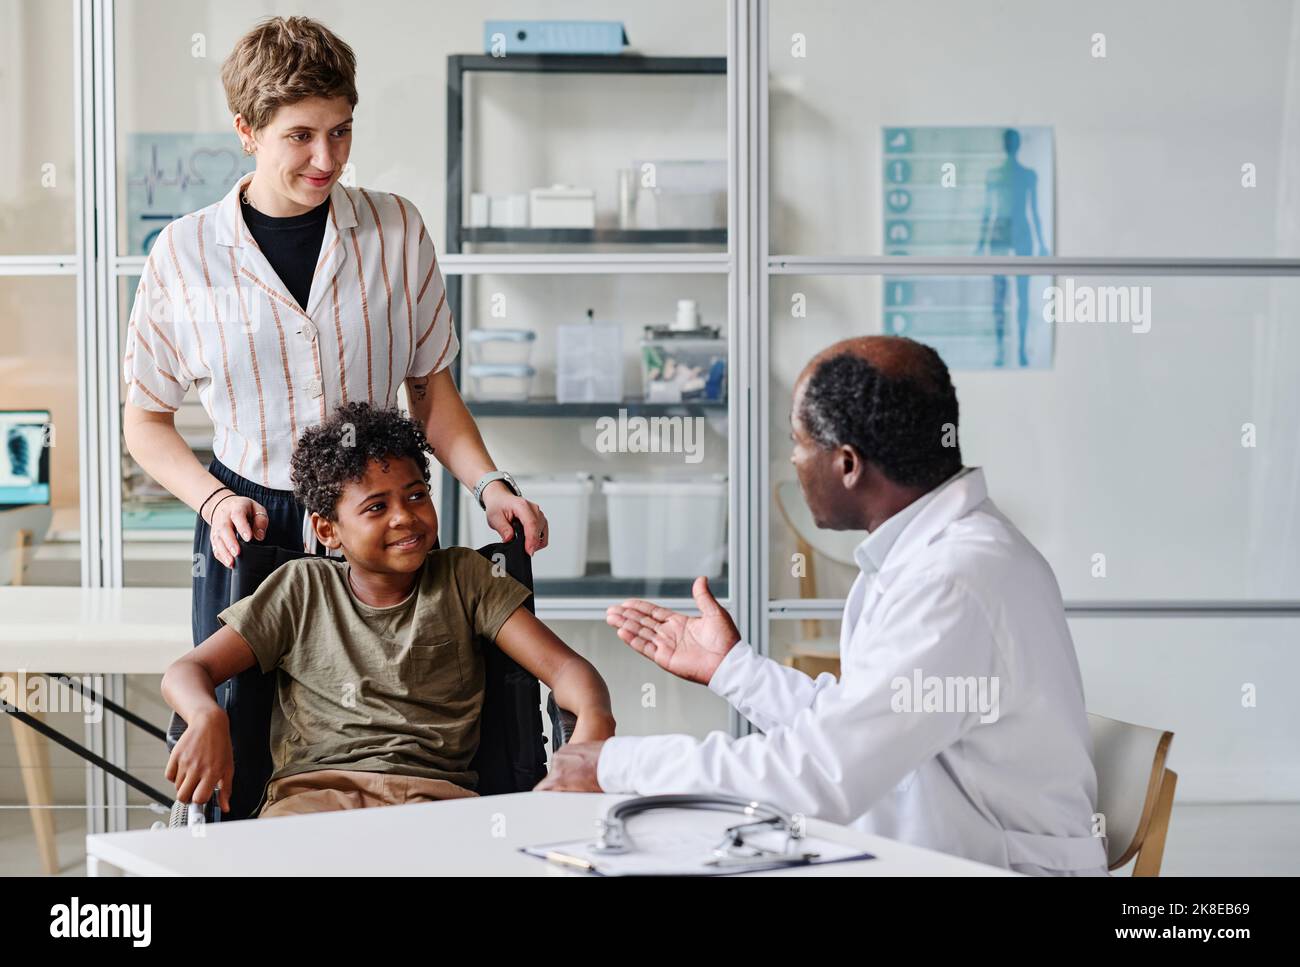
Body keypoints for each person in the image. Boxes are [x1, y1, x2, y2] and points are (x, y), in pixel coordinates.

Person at [539, 335, 1109, 876]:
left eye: (798, 442)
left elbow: (819, 774)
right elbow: (852, 726)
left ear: (847, 464)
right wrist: (733, 669)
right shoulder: (929, 554)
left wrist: (614, 764)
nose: (792, 460)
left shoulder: (954, 579)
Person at [121, 14, 547, 661]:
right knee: (239, 717)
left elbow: (430, 394)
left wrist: (491, 485)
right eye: (301, 136)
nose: (327, 159)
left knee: (400, 710)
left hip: (382, 518)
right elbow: (146, 422)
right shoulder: (183, 253)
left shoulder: (397, 229)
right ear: (247, 131)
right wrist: (214, 502)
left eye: (341, 131)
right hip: (248, 520)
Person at [161, 403, 614, 818]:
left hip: (436, 805)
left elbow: (569, 670)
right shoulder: (300, 588)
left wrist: (593, 730)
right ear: (328, 530)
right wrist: (206, 716)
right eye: (376, 507)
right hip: (313, 802)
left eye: (416, 496)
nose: (404, 516)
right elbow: (187, 670)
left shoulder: (467, 579)